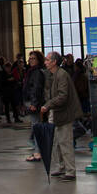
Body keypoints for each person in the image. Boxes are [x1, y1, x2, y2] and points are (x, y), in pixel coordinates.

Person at [41, 51, 81, 181]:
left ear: (54, 62)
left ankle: (70, 170)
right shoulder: (52, 75)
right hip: (56, 112)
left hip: (64, 113)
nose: (45, 62)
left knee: (65, 142)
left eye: (47, 60)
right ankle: (60, 166)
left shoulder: (62, 75)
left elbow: (63, 96)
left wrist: (48, 105)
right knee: (56, 142)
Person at [22, 51, 46, 162]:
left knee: (36, 127)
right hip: (32, 101)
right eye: (30, 58)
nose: (31, 60)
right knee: (35, 127)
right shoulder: (32, 71)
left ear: (38, 60)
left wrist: (34, 103)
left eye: (33, 58)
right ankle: (38, 150)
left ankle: (37, 152)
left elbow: (36, 88)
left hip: (34, 103)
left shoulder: (36, 72)